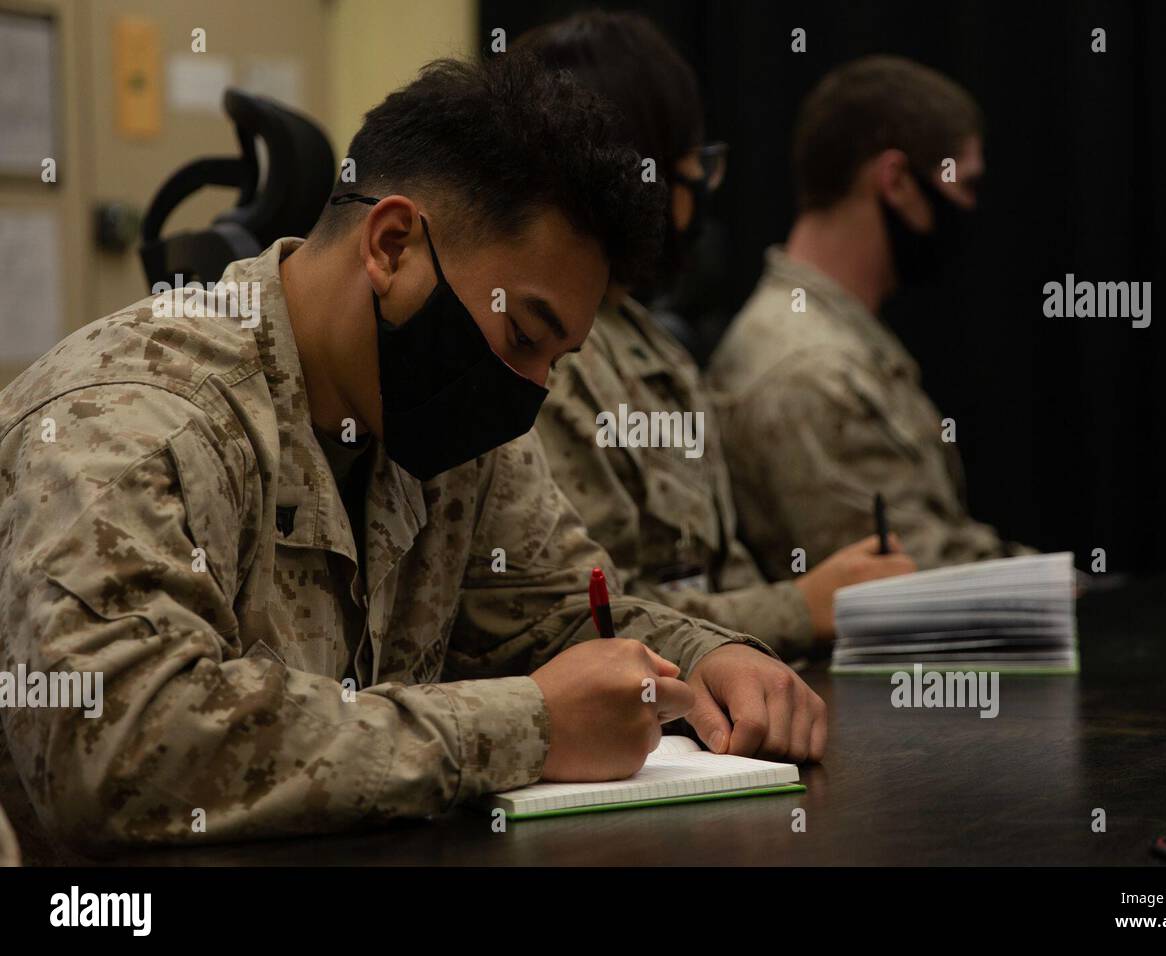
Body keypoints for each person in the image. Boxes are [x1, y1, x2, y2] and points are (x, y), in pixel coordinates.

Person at [0, 54, 825, 857]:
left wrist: (706, 656)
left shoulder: (433, 423)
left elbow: (558, 614)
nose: (530, 386)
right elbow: (116, 746)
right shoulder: (136, 417)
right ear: (391, 245)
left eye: (556, 360)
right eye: (523, 335)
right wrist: (527, 726)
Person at [518, 13, 915, 662]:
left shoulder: (654, 345)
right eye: (693, 166)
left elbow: (717, 568)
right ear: (640, 176)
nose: (703, 190)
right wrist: (802, 606)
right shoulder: (548, 353)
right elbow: (583, 613)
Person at [710, 56, 1034, 575]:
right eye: (963, 185)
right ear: (897, 180)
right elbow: (915, 584)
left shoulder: (838, 338)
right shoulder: (810, 370)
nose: (969, 209)